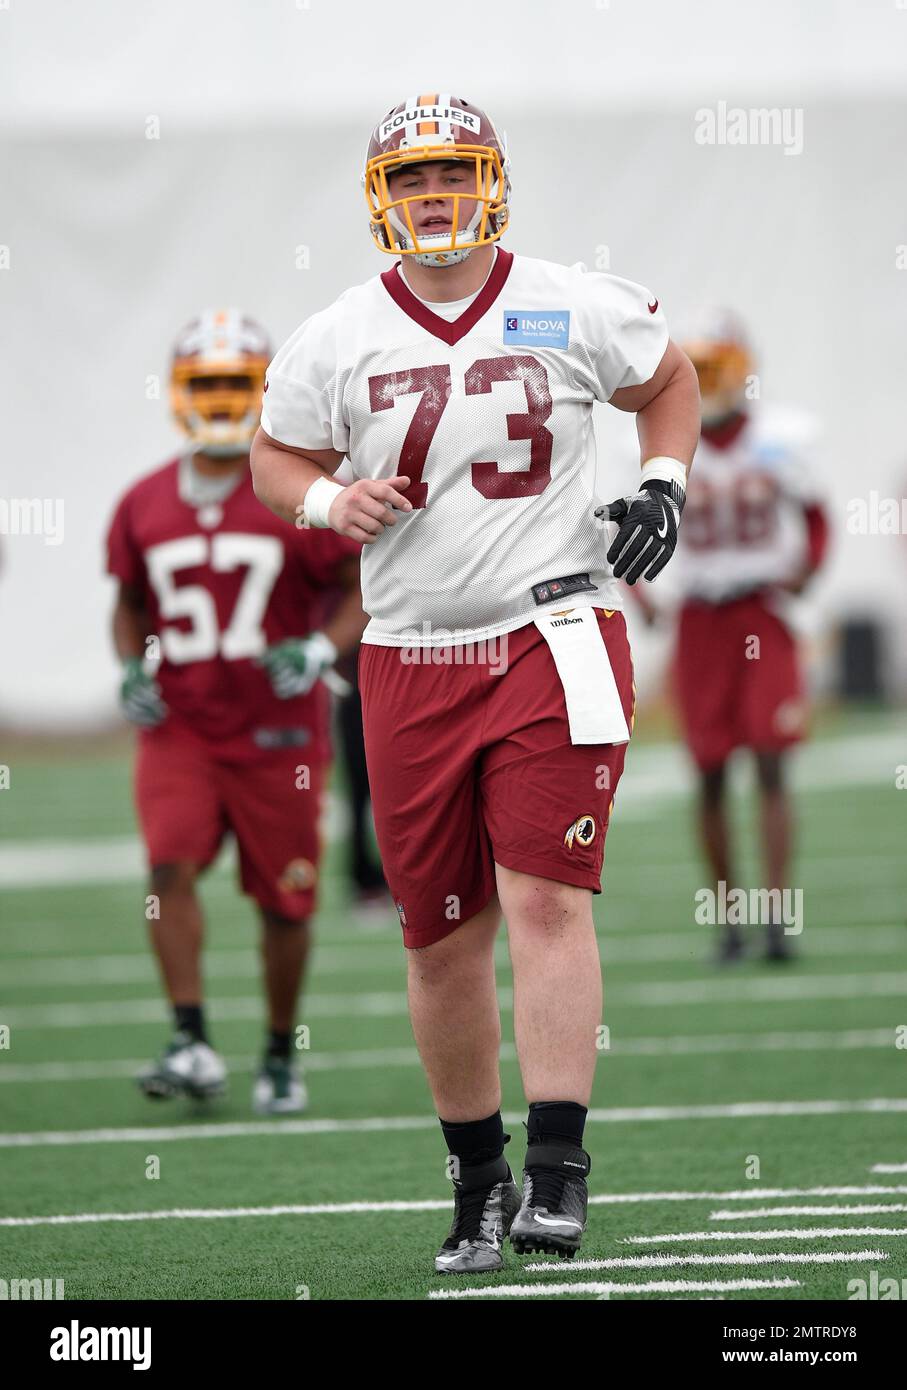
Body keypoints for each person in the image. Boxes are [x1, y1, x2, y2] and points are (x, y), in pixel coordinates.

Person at [250, 94, 699, 1270]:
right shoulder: (340, 332)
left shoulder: (566, 297)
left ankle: (557, 1174)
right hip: (407, 653)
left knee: (547, 897)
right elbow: (272, 448)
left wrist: (661, 484)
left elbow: (669, 379)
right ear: (379, 197)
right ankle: (477, 1180)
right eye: (411, 179)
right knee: (439, 936)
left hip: (556, 631)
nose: (433, 194)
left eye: (453, 172)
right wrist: (324, 500)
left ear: (492, 181)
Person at [106, 308, 364, 1113]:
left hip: (279, 735)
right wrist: (130, 665)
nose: (220, 398)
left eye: (234, 383)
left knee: (284, 898)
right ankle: (190, 1038)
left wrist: (322, 650)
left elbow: (361, 586)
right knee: (166, 868)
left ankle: (280, 1052)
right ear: (182, 392)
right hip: (181, 728)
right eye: (206, 383)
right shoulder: (143, 500)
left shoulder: (294, 489)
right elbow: (130, 603)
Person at [668, 311, 829, 961]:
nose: (706, 385)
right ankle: (728, 919)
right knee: (708, 771)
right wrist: (642, 591)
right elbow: (622, 523)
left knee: (770, 760)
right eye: (696, 372)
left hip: (761, 614)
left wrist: (805, 574)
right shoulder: (667, 440)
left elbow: (816, 519)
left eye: (715, 371)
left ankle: (775, 916)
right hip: (700, 620)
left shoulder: (778, 440)